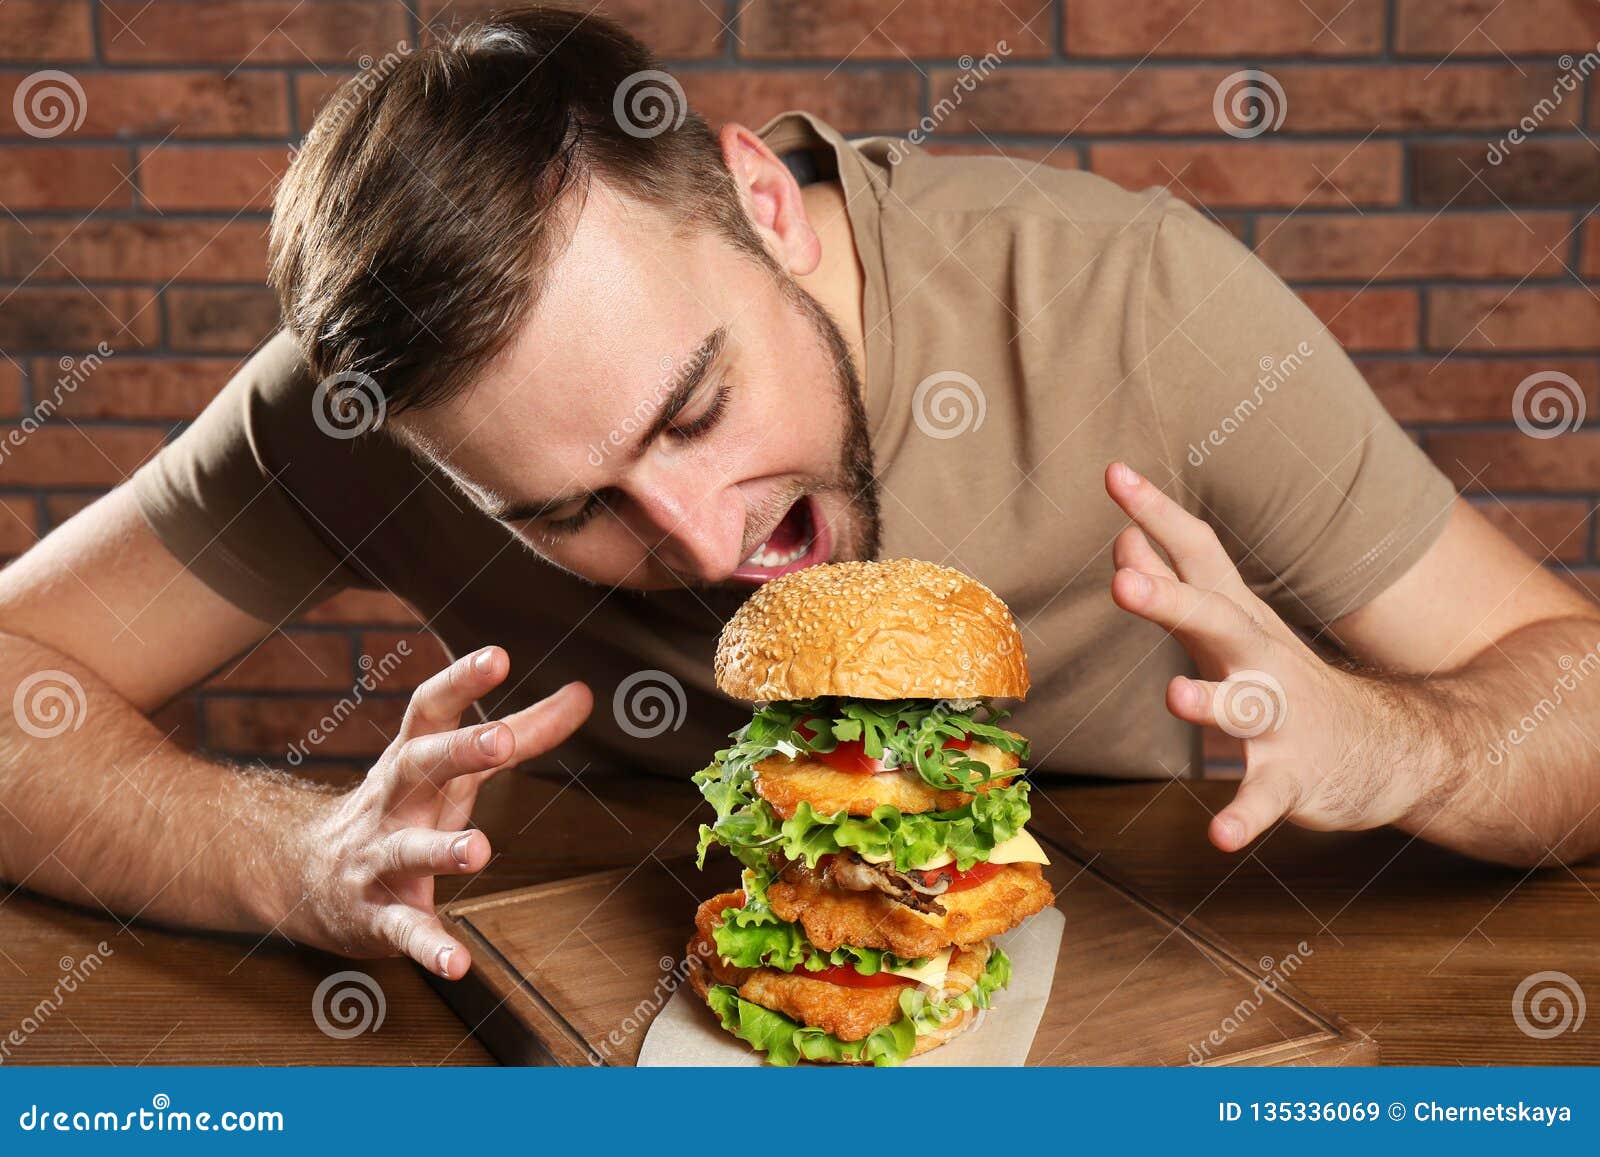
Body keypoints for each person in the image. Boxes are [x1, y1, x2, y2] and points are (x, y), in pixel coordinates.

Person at [1, 7, 1596, 982]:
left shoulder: (1135, 306)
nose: (699, 543)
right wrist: (290, 858)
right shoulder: (368, 408)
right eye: (567, 512)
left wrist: (1393, 736)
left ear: (762, 198)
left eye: (696, 407)